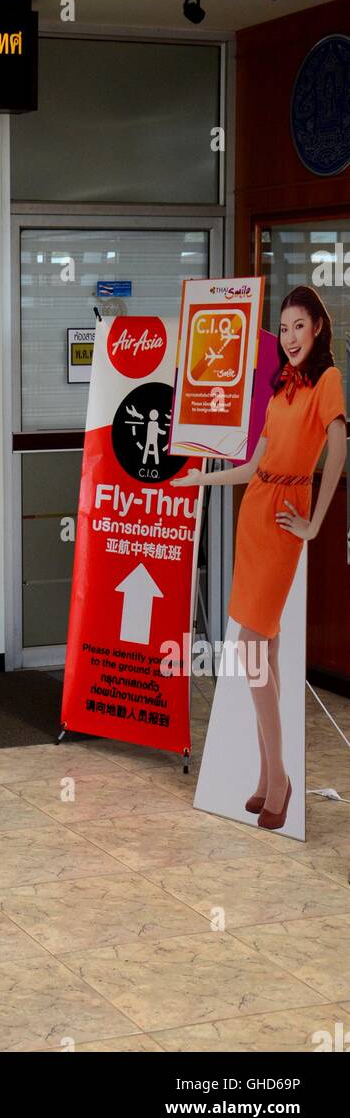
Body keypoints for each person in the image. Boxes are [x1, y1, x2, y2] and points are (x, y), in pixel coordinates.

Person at [173, 286, 347, 831]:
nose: (291, 337)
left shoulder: (327, 381)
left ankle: (278, 777)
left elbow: (339, 447)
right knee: (263, 651)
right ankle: (269, 777)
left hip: (285, 516)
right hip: (257, 508)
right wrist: (205, 475)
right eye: (284, 327)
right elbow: (255, 464)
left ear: (318, 326)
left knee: (249, 648)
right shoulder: (284, 385)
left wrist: (315, 522)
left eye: (300, 326)